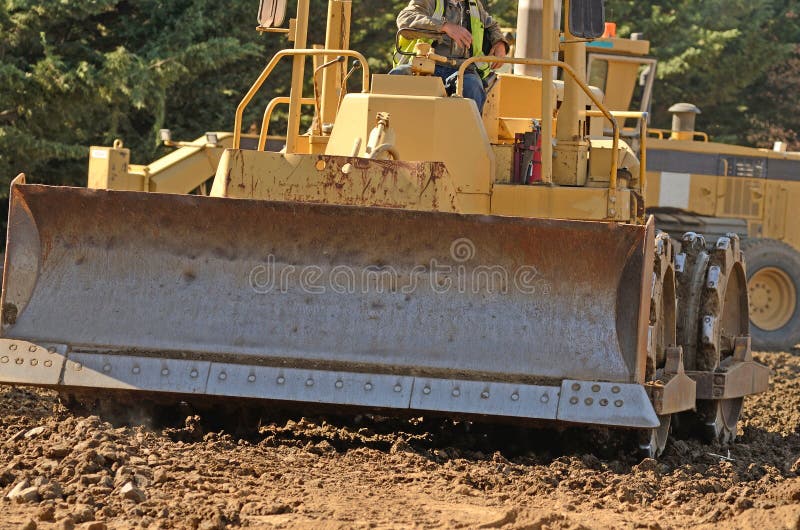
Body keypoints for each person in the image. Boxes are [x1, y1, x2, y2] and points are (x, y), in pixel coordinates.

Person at [391, 0, 509, 113]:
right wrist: (444, 26)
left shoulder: (474, 5)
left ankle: (466, 127)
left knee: (472, 86)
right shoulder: (430, 2)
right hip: (425, 65)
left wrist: (500, 43)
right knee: (398, 75)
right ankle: (388, 122)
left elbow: (491, 26)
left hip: (463, 69)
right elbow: (405, 18)